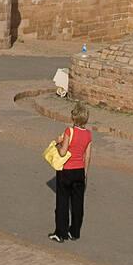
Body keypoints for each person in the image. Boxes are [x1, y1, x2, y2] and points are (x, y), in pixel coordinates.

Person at [50, 103, 93, 242]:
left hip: (66, 170)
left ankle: (60, 233)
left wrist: (58, 143)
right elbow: (87, 156)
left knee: (62, 202)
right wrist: (85, 173)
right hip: (80, 171)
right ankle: (74, 232)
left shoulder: (69, 131)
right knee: (77, 203)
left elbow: (63, 153)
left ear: (74, 117)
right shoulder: (88, 134)